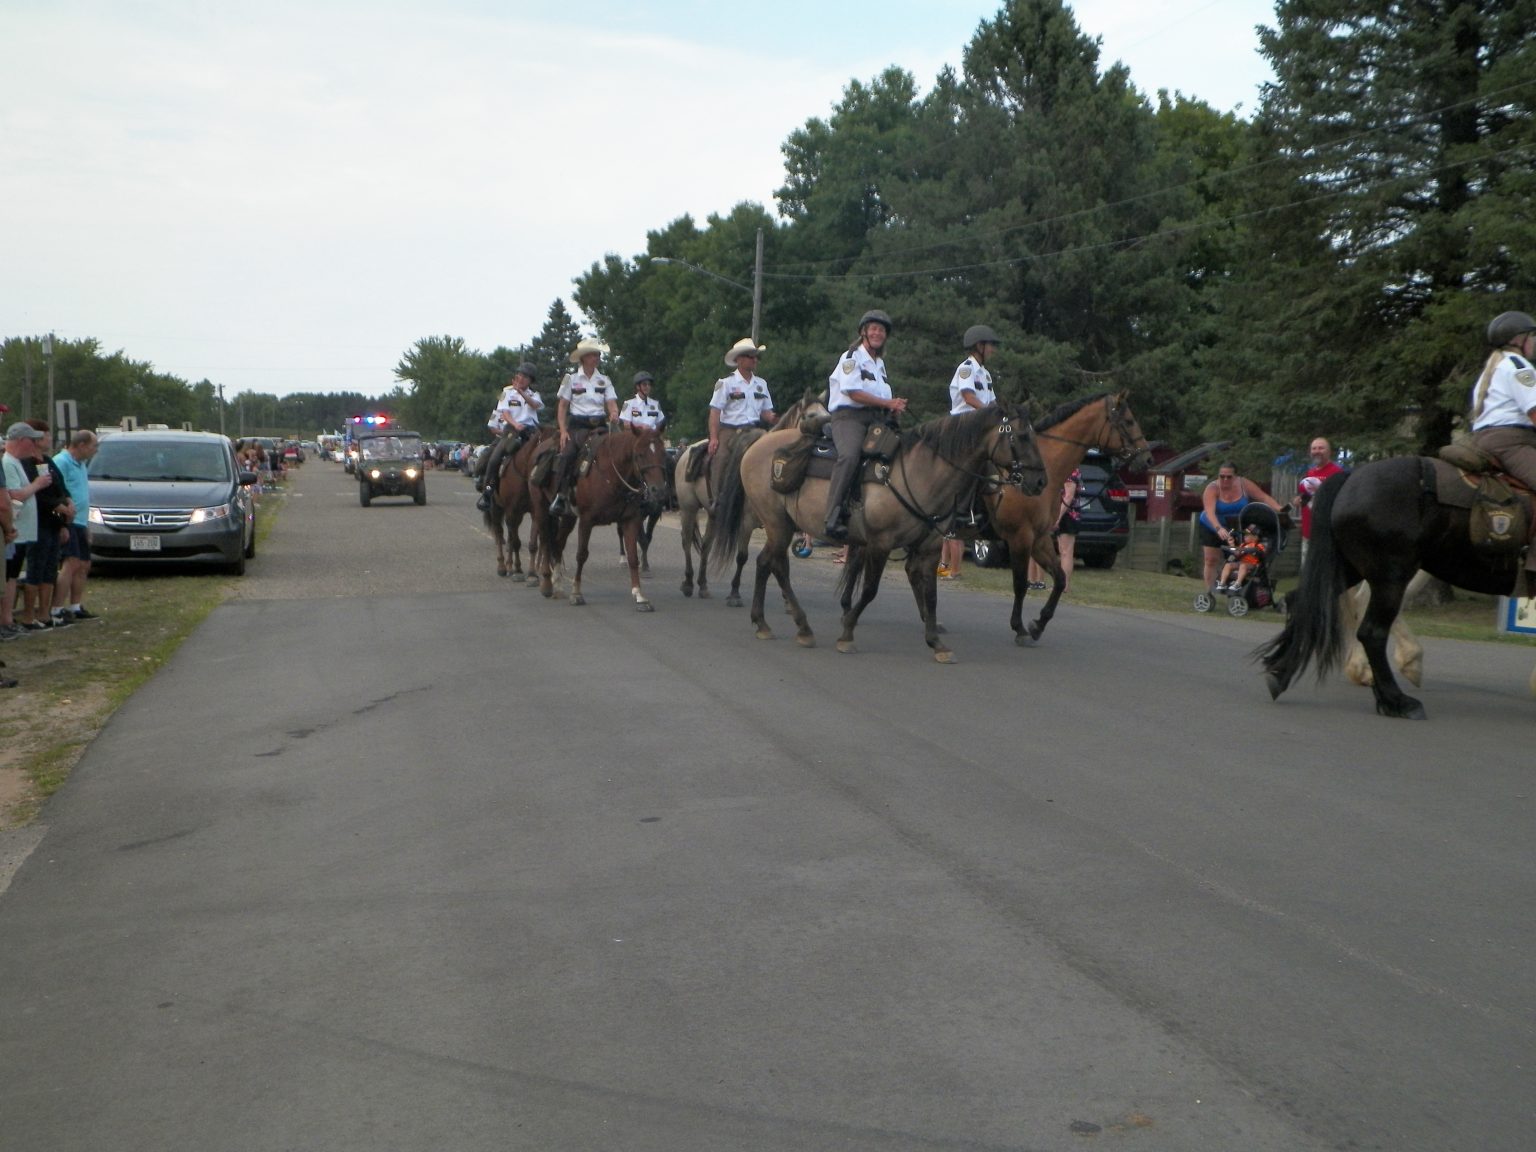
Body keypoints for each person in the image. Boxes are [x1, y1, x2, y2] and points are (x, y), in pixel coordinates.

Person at [823, 310, 908, 541]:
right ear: (863, 332)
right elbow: (853, 392)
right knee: (849, 456)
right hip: (849, 417)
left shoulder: (879, 364)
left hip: (876, 419)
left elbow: (879, 395)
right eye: (873, 329)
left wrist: (893, 407)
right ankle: (832, 516)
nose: (878, 333)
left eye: (882, 330)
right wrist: (887, 402)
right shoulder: (851, 357)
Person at [1470, 310, 1536, 583]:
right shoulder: (1519, 367)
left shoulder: (1493, 367)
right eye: (1533, 337)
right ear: (1520, 339)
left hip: (1484, 439)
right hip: (1511, 442)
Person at [939, 324, 1001, 579]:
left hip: (980, 428)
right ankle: (961, 510)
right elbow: (966, 395)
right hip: (963, 428)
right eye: (991, 345)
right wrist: (988, 413)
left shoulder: (985, 374)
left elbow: (993, 401)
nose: (994, 349)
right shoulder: (966, 368)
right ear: (979, 346)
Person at [548, 338, 619, 515]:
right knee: (567, 455)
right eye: (594, 355)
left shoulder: (604, 380)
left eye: (598, 355)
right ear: (584, 358)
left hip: (600, 426)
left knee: (617, 452)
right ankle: (561, 496)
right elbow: (563, 407)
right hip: (578, 426)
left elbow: (611, 403)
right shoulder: (570, 380)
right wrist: (563, 430)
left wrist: (614, 413)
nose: (597, 358)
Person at [17, 419, 73, 631]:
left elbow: (60, 486)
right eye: (46, 435)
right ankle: (29, 616)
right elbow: (37, 494)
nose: (49, 439)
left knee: (50, 568)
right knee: (36, 567)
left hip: (54, 523)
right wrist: (57, 505)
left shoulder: (48, 461)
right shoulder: (26, 463)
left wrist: (67, 502)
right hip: (37, 522)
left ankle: (45, 613)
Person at [3, 423, 55, 639]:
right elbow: (15, 495)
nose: (33, 445)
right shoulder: (8, 463)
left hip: (22, 531)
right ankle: (5, 620)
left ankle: (7, 620)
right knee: (8, 576)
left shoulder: (16, 463)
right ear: (22, 440)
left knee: (13, 576)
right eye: (31, 440)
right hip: (15, 531)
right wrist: (38, 484)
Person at [707, 339, 774, 506]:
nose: (755, 360)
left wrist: (780, 419)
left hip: (755, 430)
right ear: (739, 359)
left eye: (756, 357)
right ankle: (718, 499)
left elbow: (767, 413)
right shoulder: (726, 383)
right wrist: (714, 438)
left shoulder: (761, 384)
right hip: (730, 430)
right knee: (721, 457)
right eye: (751, 356)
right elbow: (715, 412)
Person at [1198, 461, 1283, 591]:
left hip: (1235, 526)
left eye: (1229, 477)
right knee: (1211, 559)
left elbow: (1263, 497)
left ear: (1235, 476)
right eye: (1222, 476)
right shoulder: (1212, 488)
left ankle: (1237, 588)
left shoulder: (1244, 484)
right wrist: (1218, 528)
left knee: (1240, 559)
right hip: (1212, 525)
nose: (1225, 479)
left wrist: (1279, 509)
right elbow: (1210, 512)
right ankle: (1210, 591)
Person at [476, 362, 544, 512]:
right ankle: (488, 491)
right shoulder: (506, 392)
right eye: (519, 375)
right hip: (512, 430)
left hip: (531, 431)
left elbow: (535, 405)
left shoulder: (535, 395)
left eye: (525, 377)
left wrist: (521, 393)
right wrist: (515, 424)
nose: (520, 378)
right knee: (495, 458)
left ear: (530, 380)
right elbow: (504, 413)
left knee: (547, 455)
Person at [51, 430, 100, 623]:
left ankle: (75, 605)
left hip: (80, 521)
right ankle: (56, 608)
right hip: (68, 520)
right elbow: (55, 490)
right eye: (93, 446)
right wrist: (62, 521)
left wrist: (86, 525)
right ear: (81, 445)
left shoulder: (81, 465)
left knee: (84, 564)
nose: (95, 451)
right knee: (70, 563)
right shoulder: (62, 462)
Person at [1027, 466, 1081, 592]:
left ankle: (1064, 585)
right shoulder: (1062, 469)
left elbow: (1068, 496)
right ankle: (1060, 584)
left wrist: (1058, 516)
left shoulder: (1071, 470)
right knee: (1062, 549)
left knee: (1066, 551)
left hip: (1069, 515)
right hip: (1060, 513)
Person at [1294, 436, 1344, 562]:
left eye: (1321, 448)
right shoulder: (1309, 473)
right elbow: (1304, 497)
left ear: (1329, 451)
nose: (1317, 451)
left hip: (1328, 532)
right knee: (1307, 569)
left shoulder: (1337, 473)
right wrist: (1298, 500)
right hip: (1308, 531)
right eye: (1314, 448)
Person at [1216, 523, 1267, 591]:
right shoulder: (1243, 545)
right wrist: (1232, 545)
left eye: (1247, 535)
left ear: (1256, 537)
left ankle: (1238, 584)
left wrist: (1254, 550)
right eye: (1244, 534)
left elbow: (1263, 552)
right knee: (1228, 565)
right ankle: (1222, 583)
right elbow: (1237, 553)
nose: (1244, 536)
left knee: (1243, 565)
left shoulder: (1258, 545)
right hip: (1241, 562)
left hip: (1252, 564)